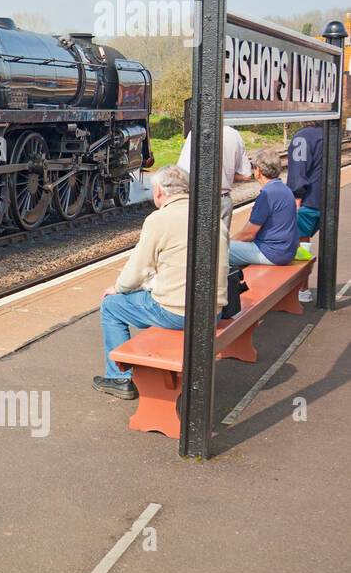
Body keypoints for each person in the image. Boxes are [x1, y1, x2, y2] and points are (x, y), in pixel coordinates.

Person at [93, 164, 228, 400]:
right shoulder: (210, 215)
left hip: (178, 312)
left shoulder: (159, 219)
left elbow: (137, 269)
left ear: (158, 192)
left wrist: (117, 289)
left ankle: (119, 378)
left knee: (111, 306)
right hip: (213, 312)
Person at [229, 147, 298, 267]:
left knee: (218, 251)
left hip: (272, 253)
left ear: (258, 171)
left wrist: (228, 242)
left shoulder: (267, 194)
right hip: (286, 251)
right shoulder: (285, 189)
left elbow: (248, 234)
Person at [177, 125, 252, 225]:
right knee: (222, 239)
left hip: (201, 199)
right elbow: (246, 175)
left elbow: (183, 171)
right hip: (224, 201)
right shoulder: (235, 135)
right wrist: (226, 175)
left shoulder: (196, 132)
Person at [286, 122, 324, 301]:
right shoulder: (328, 134)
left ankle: (302, 290)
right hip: (326, 200)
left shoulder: (302, 136)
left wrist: (296, 197)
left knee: (300, 245)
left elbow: (298, 170)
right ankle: (319, 290)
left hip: (307, 201)